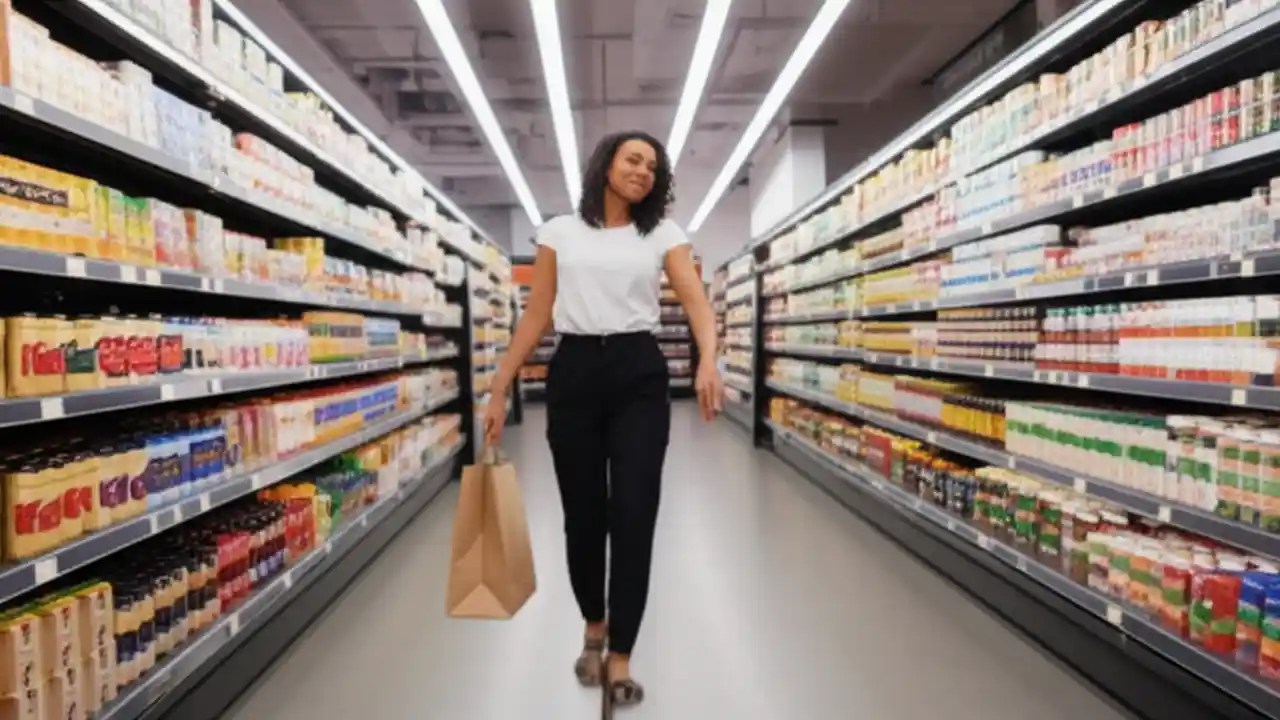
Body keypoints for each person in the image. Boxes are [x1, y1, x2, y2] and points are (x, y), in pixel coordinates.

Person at [482, 130, 723, 707]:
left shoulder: (662, 233)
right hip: (576, 374)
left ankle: (621, 656)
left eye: (652, 165)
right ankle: (594, 623)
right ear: (606, 164)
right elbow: (537, 314)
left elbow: (695, 301)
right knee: (583, 516)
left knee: (635, 514)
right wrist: (497, 387)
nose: (643, 170)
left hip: (639, 373)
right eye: (632, 159)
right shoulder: (560, 232)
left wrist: (708, 359)